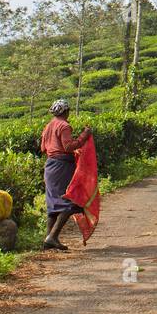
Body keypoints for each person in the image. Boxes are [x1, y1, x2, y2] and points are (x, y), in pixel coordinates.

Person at [40, 99, 92, 250]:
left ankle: (49, 240)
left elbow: (43, 148)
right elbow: (68, 146)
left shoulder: (48, 126)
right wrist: (84, 136)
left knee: (53, 204)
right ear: (66, 112)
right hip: (62, 167)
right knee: (69, 202)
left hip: (50, 166)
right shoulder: (64, 126)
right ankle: (52, 237)